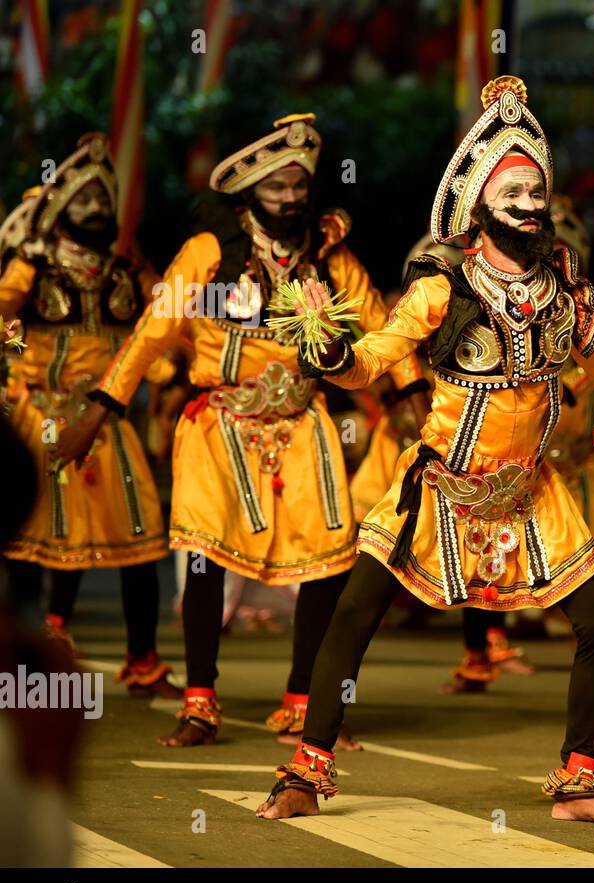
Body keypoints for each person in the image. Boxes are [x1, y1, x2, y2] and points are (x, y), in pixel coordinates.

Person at [251, 76, 594, 827]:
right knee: (354, 611)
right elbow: (372, 360)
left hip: (530, 492)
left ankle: (579, 782)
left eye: (537, 189)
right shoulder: (439, 292)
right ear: (480, 208)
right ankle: (306, 768)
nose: (529, 202)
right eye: (513, 190)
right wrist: (327, 348)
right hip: (441, 486)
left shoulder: (568, 297)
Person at [55, 115, 428, 746]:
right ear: (250, 190)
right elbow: (151, 335)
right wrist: (99, 410)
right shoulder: (208, 253)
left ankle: (300, 702)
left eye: (298, 184)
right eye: (277, 186)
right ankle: (200, 702)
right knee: (205, 559)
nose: (290, 197)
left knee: (327, 558)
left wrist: (413, 394)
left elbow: (383, 327)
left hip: (303, 423)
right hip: (218, 424)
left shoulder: (329, 256)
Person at [0, 133, 177, 697]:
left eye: (104, 199)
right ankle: (27, 655)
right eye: (83, 200)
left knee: (142, 539)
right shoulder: (33, 266)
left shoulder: (125, 269)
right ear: (59, 208)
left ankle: (143, 660)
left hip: (107, 419)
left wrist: (146, 267)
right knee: (29, 540)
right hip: (43, 418)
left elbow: (163, 322)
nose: (97, 209)